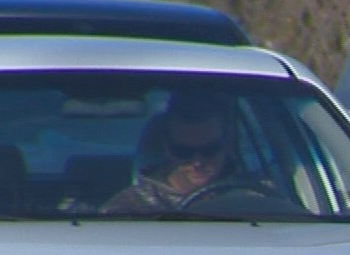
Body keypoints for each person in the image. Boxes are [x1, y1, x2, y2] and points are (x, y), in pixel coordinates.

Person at [102, 91, 268, 213]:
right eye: (184, 152)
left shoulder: (259, 197)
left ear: (227, 145)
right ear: (167, 148)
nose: (198, 162)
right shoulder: (130, 207)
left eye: (210, 149)